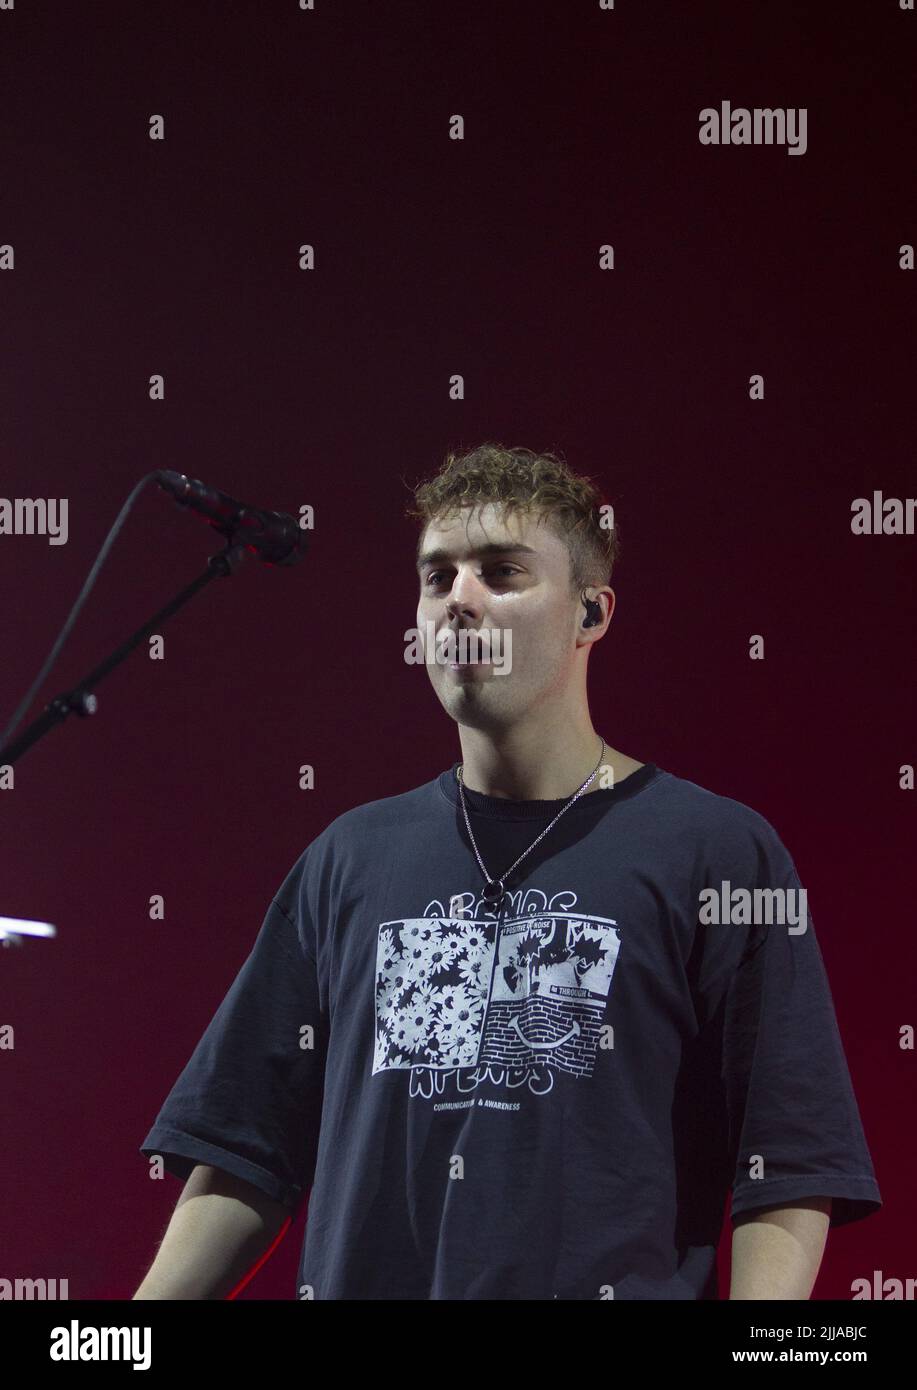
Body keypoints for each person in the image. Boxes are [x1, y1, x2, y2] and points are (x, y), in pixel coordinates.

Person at [134, 442, 881, 1301]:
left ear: (590, 615)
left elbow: (787, 1165)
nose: (459, 599)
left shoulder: (718, 852)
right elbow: (244, 1152)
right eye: (436, 575)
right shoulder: (346, 858)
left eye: (501, 572)